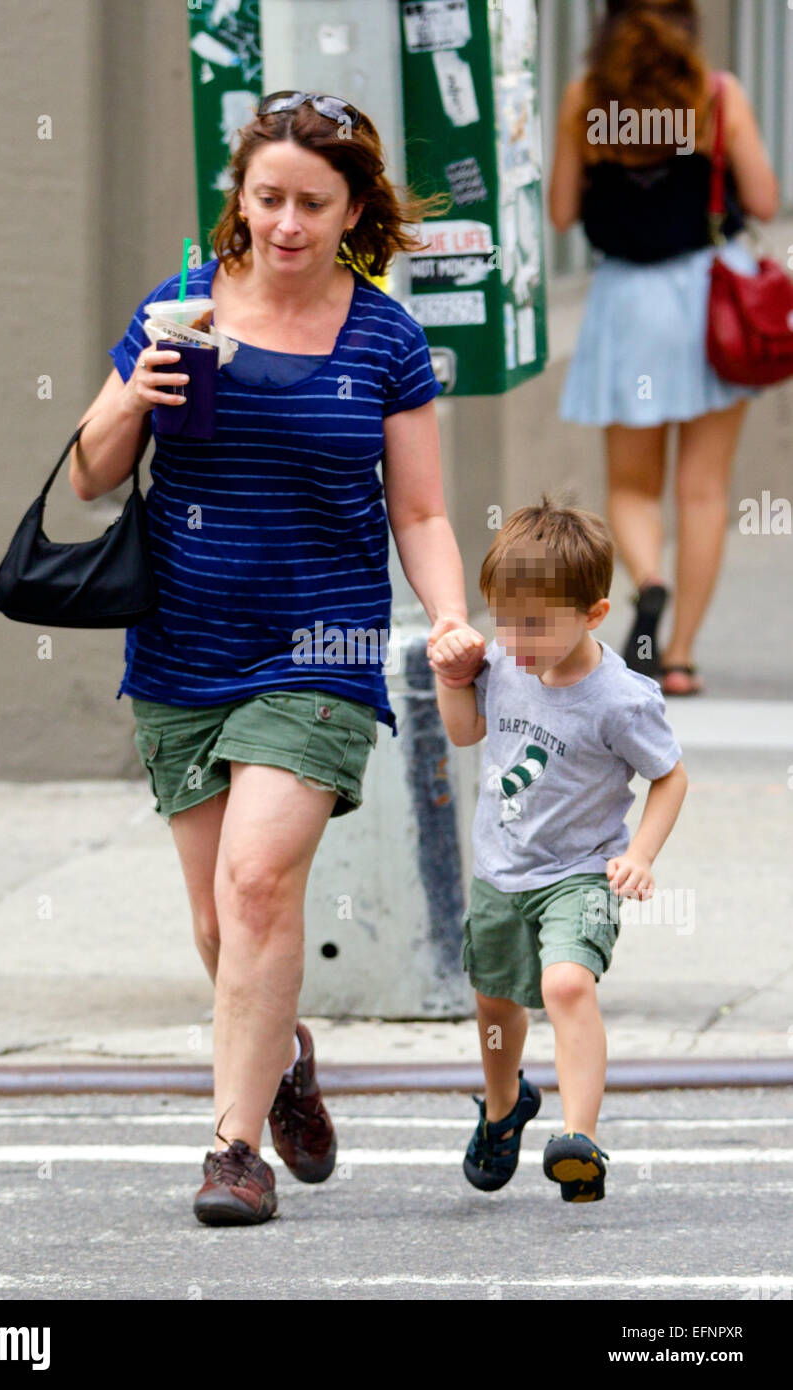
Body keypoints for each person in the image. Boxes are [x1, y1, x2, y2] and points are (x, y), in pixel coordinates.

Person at [68, 91, 480, 1226]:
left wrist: (449, 616)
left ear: (354, 209)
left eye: (313, 202)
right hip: (184, 642)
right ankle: (286, 1057)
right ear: (238, 202)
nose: (287, 223)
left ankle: (232, 1150)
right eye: (267, 200)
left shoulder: (384, 337)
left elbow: (424, 511)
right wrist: (135, 397)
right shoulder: (182, 306)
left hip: (322, 643)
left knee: (257, 884)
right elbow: (91, 475)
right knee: (219, 923)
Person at [431, 497, 687, 1202]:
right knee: (496, 1004)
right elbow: (463, 732)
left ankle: (579, 1139)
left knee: (566, 985)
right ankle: (503, 1103)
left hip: (581, 874)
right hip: (501, 870)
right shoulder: (507, 660)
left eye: (535, 624)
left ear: (595, 615)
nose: (515, 638)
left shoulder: (620, 701)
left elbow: (670, 776)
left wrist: (640, 855)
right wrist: (453, 678)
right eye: (503, 618)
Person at [548, 0, 779, 695]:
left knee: (631, 486)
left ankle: (650, 581)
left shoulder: (584, 98)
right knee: (704, 490)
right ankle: (678, 658)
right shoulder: (717, 93)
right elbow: (765, 200)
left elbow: (561, 211)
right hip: (713, 301)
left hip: (628, 305)